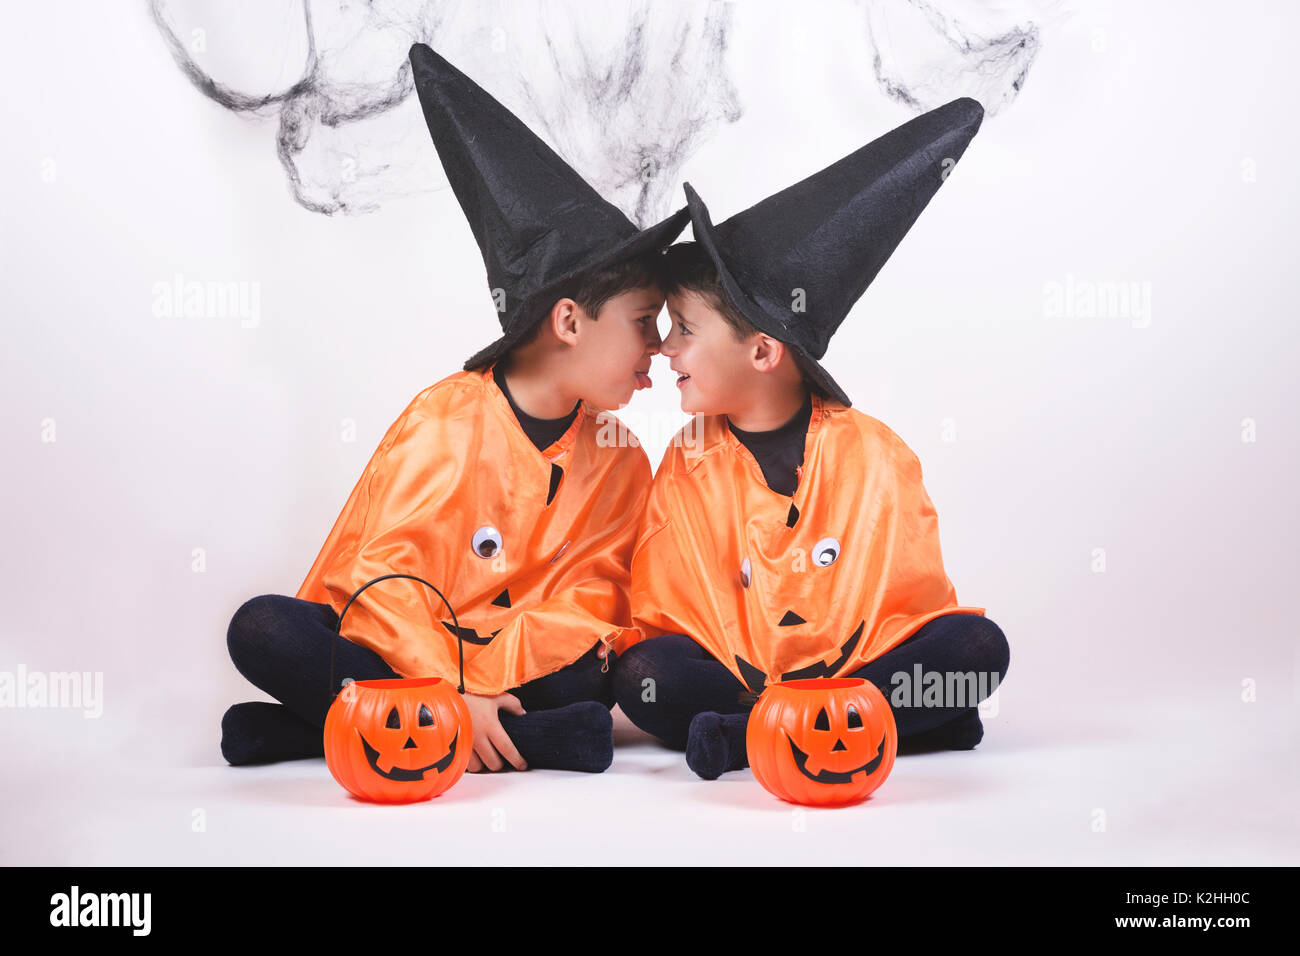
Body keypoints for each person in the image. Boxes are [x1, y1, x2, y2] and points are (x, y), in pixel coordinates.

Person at [221, 43, 688, 773]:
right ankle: (486, 734)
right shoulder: (446, 419)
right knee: (266, 630)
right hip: (400, 648)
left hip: (513, 662)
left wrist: (491, 669)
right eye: (643, 321)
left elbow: (595, 600)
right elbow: (382, 578)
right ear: (568, 322)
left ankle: (334, 731)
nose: (658, 347)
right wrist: (444, 685)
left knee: (591, 679)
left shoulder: (621, 456)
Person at [613, 98, 1010, 779]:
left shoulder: (874, 454)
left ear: (763, 352)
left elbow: (908, 604)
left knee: (976, 646)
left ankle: (752, 737)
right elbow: (672, 610)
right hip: (742, 668)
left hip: (856, 661)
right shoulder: (688, 460)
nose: (664, 349)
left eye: (684, 328)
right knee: (646, 673)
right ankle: (885, 724)